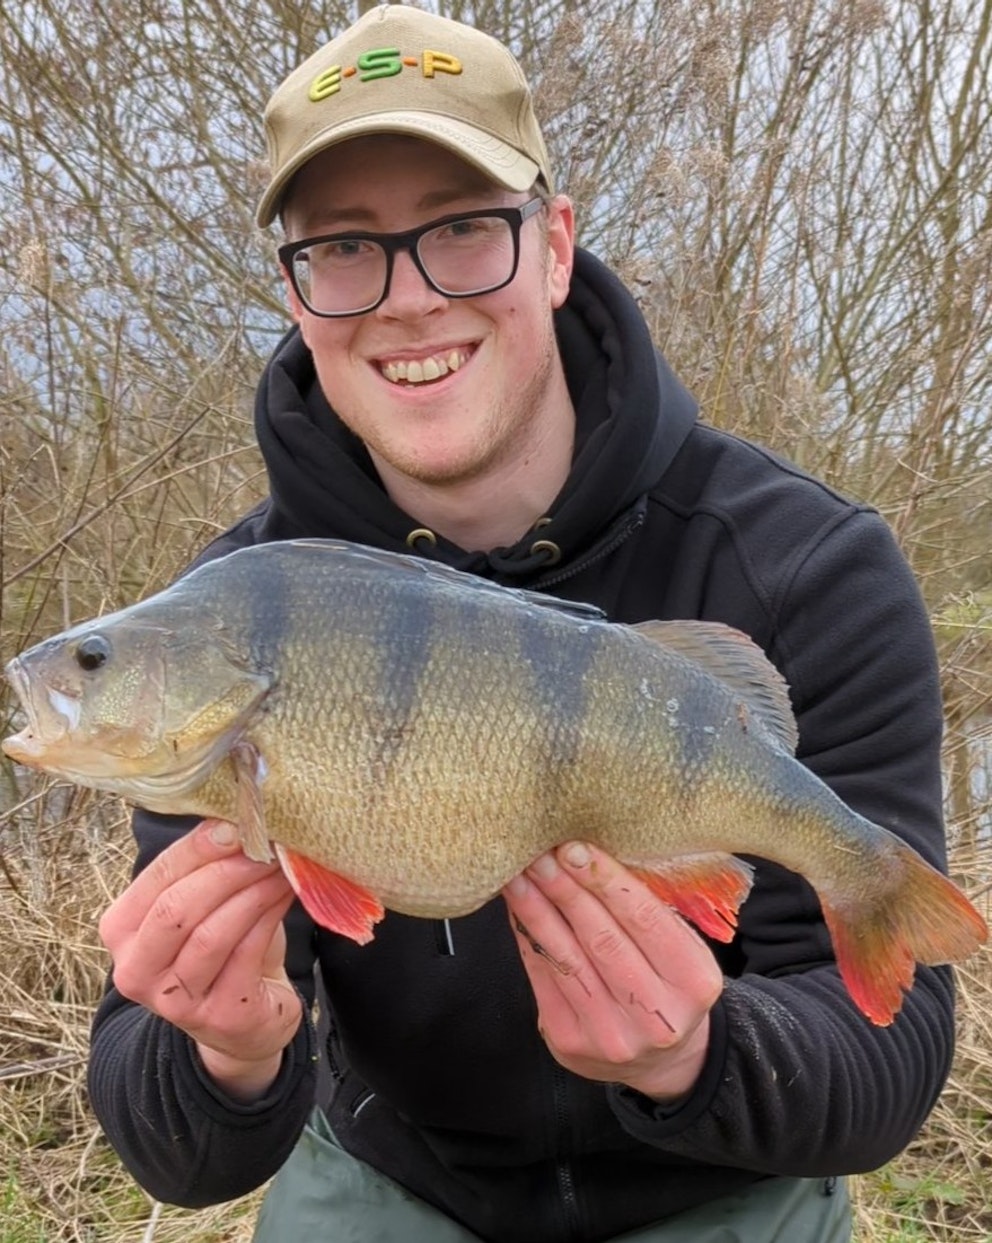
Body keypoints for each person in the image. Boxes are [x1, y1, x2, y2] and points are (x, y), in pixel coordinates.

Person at [88, 6, 957, 1241]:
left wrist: (697, 1058)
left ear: (551, 247)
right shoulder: (234, 617)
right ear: (295, 290)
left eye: (460, 232)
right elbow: (171, 1143)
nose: (405, 299)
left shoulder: (806, 563)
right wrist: (226, 1056)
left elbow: (890, 1048)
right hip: (401, 1167)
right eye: (344, 248)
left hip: (723, 1173)